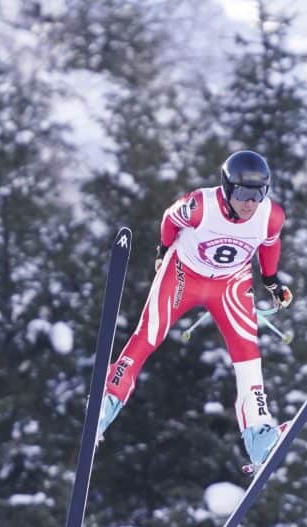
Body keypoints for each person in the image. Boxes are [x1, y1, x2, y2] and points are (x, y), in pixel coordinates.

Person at [98, 149, 293, 466]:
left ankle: (259, 436)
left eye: (259, 193)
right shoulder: (200, 206)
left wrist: (271, 281)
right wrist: (163, 251)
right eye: (243, 192)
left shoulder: (271, 216)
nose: (250, 202)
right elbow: (169, 220)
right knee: (148, 334)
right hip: (183, 274)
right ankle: (106, 404)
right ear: (228, 187)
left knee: (248, 356)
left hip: (230, 284)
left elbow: (270, 244)